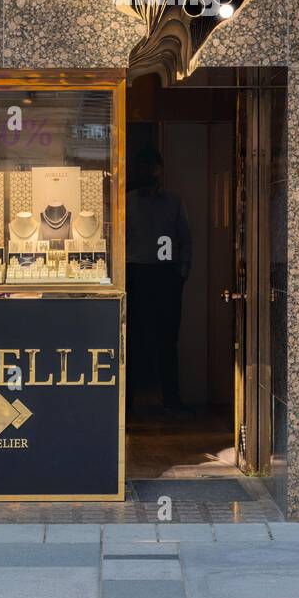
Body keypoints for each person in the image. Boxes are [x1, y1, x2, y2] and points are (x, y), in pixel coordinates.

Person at [125, 145, 192, 413]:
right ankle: (127, 403)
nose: (147, 174)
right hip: (136, 273)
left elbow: (185, 239)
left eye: (151, 168)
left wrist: (181, 273)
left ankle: (171, 401)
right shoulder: (127, 201)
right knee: (133, 340)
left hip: (166, 275)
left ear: (160, 171)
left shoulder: (173, 202)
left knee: (168, 339)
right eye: (142, 168)